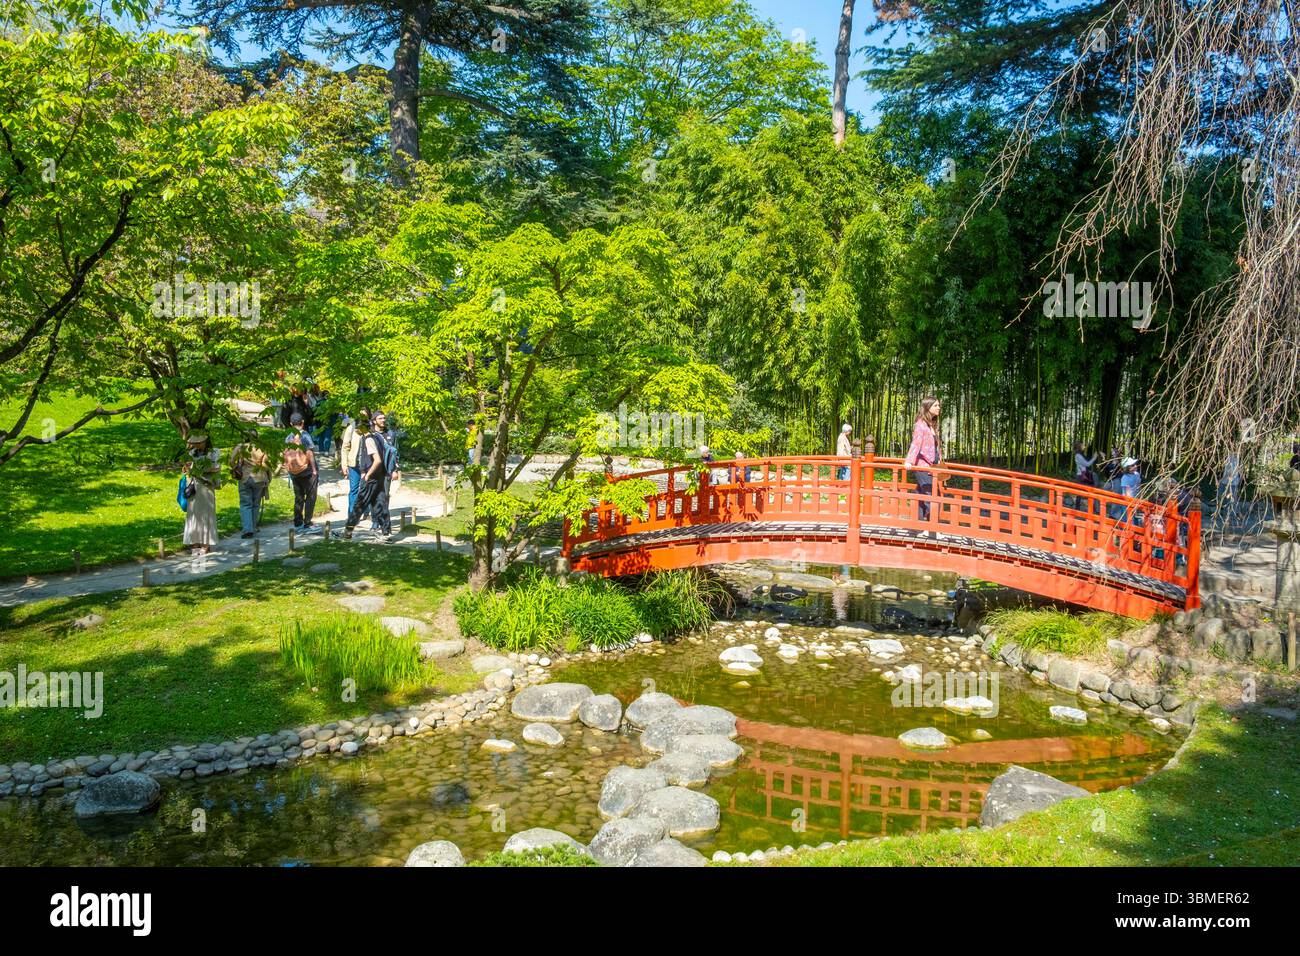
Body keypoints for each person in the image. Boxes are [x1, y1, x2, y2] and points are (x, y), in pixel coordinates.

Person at [344, 417, 393, 539]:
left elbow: (377, 460)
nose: (356, 430)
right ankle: (386, 533)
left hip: (371, 478)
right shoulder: (377, 437)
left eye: (357, 427)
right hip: (380, 477)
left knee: (359, 505)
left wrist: (367, 475)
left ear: (362, 427)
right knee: (380, 505)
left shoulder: (369, 439)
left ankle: (347, 532)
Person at [903, 397, 942, 531]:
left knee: (922, 494)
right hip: (922, 466)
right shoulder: (921, 424)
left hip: (932, 466)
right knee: (932, 496)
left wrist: (940, 460)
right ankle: (932, 530)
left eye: (939, 405)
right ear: (928, 407)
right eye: (936, 405)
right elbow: (916, 443)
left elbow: (935, 447)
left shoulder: (932, 424)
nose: (938, 408)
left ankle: (918, 526)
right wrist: (909, 461)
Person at [182, 432, 221, 554]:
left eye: (199, 443)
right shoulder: (192, 453)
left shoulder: (214, 452)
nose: (197, 445)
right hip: (195, 486)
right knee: (194, 514)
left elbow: (217, 467)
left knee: (206, 514)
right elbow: (186, 469)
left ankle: (205, 543)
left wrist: (199, 469)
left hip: (207, 486)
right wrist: (187, 468)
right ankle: (195, 542)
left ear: (205, 442)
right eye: (195, 443)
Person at [229, 432, 270, 538]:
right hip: (259, 478)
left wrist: (235, 469)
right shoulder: (262, 448)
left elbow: (231, 460)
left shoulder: (240, 447)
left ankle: (248, 529)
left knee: (245, 504)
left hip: (244, 477)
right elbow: (265, 465)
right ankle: (253, 526)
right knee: (256, 504)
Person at [284, 414, 318, 532]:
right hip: (307, 471)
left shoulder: (288, 437)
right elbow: (309, 453)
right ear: (302, 422)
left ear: (291, 423)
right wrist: (314, 469)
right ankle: (307, 522)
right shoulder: (304, 435)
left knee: (298, 497)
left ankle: (297, 521)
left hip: (294, 472)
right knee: (311, 496)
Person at [372, 411, 401, 531]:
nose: (383, 420)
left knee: (384, 496)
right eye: (380, 418)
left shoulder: (391, 434)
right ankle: (374, 521)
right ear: (374, 420)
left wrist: (395, 470)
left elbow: (396, 453)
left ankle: (383, 520)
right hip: (373, 470)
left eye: (384, 418)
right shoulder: (370, 434)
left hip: (387, 470)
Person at [339, 410, 370, 517]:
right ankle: (352, 514)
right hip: (354, 464)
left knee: (367, 488)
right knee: (354, 490)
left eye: (365, 414)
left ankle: (367, 512)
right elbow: (345, 447)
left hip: (369, 464)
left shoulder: (371, 428)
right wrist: (344, 464)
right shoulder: (351, 427)